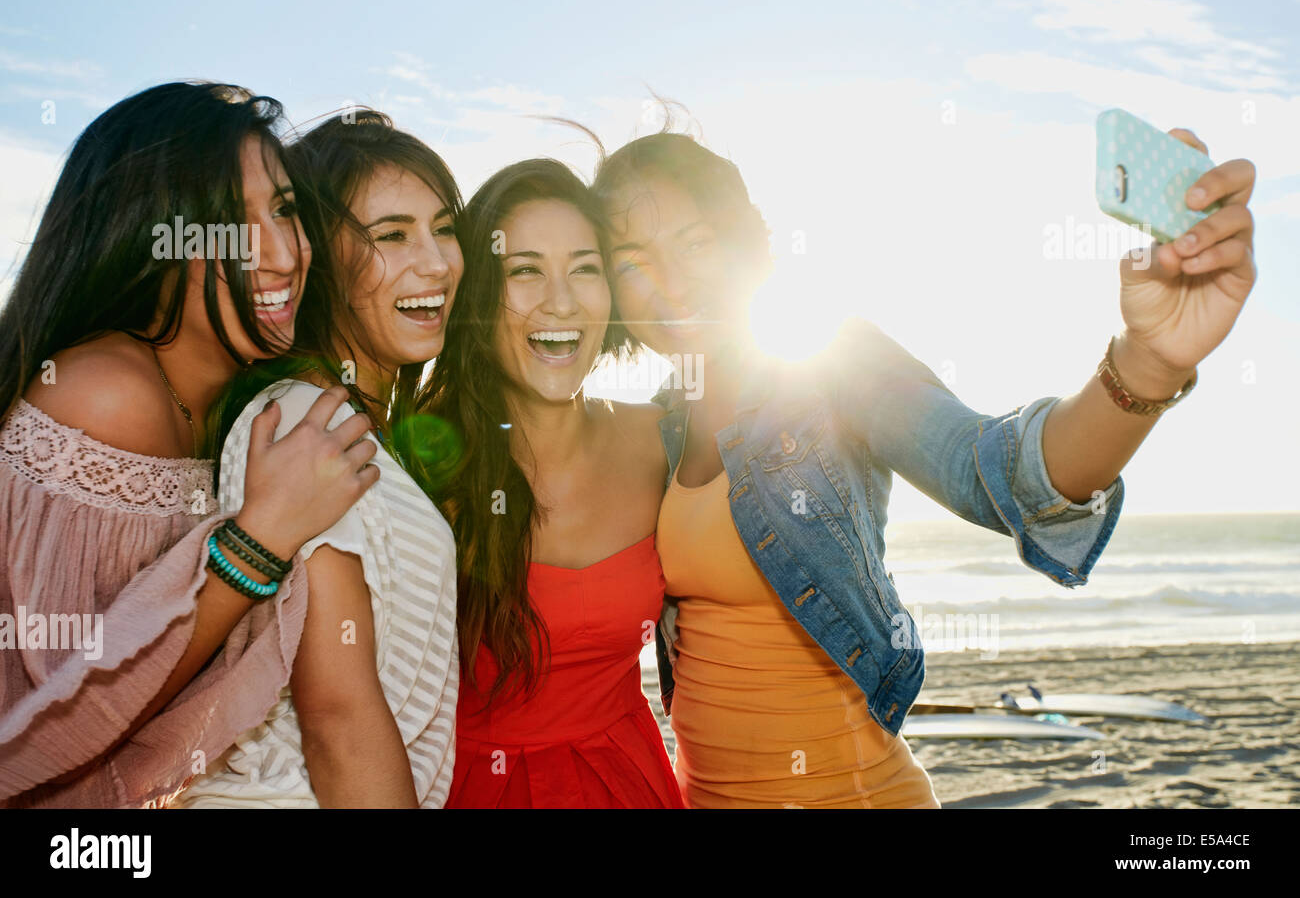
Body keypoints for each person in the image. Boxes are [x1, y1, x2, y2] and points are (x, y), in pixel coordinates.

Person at [591, 121, 1256, 808]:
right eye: (633, 261)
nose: (667, 282)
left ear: (746, 244)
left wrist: (1148, 363)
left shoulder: (827, 365)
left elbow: (986, 467)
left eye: (695, 242)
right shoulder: (663, 423)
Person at [0, 82, 377, 808]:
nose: (285, 254)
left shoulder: (221, 403)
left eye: (286, 210)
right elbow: (64, 718)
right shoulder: (107, 394)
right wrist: (262, 538)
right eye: (233, 226)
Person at [174, 111, 463, 807]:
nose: (437, 262)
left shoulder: (345, 419)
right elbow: (337, 721)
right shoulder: (309, 423)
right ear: (318, 256)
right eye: (391, 235)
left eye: (445, 228)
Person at [424, 159, 683, 808]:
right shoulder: (419, 465)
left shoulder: (661, 442)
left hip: (631, 784)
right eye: (525, 270)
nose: (561, 301)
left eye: (585, 268)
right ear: (479, 293)